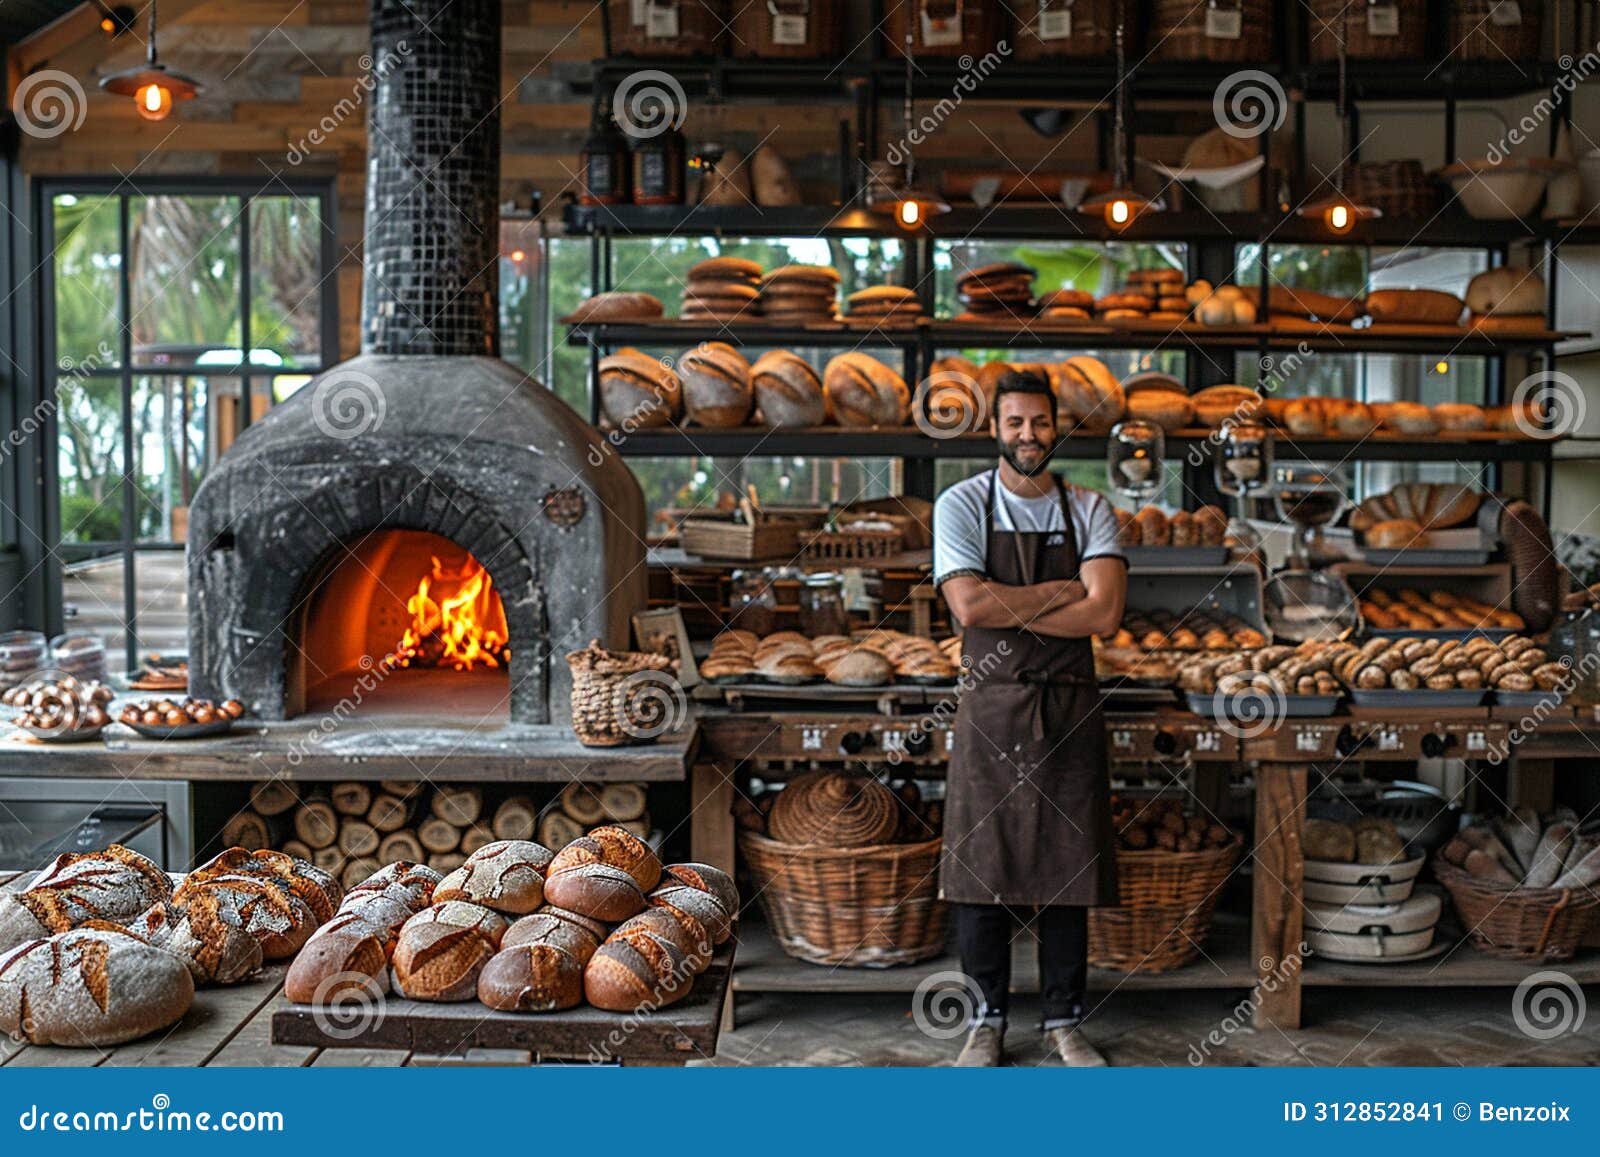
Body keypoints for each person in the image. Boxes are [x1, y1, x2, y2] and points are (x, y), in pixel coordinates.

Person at [931, 369, 1128, 1067]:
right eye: (1015, 422)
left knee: (1067, 870)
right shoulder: (958, 504)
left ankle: (1064, 1020)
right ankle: (986, 1021)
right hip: (991, 705)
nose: (1028, 435)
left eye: (1040, 422)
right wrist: (1057, 590)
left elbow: (1104, 612)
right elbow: (970, 610)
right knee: (981, 868)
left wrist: (1009, 595)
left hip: (1070, 707)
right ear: (995, 428)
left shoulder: (1091, 508)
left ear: (1056, 426)